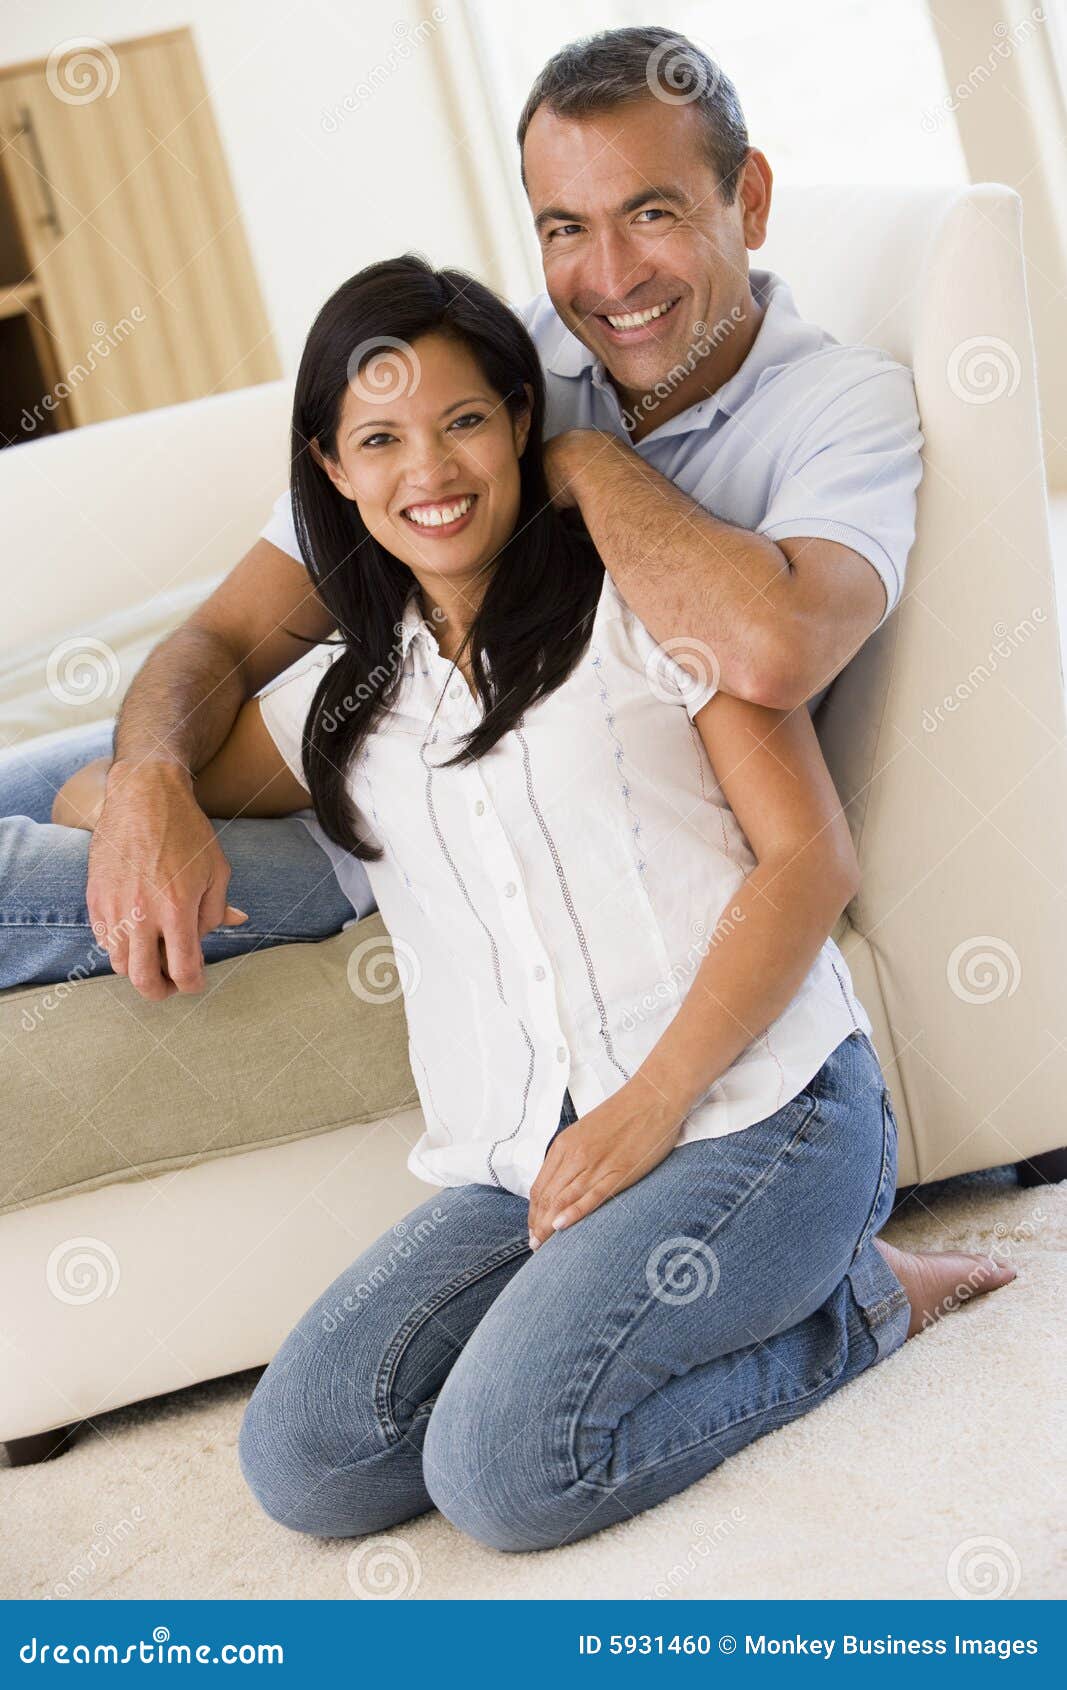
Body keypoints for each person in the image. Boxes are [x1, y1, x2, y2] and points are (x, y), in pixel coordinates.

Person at [53, 256, 1016, 1551]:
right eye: (379, 439)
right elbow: (94, 789)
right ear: (331, 473)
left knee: (509, 1470)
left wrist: (649, 1104)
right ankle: (608, 1303)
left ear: (520, 421)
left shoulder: (646, 601)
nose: (429, 471)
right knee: (308, 1462)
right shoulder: (344, 703)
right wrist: (145, 799)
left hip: (757, 1112)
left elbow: (808, 862)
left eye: (461, 422)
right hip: (523, 1154)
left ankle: (862, 1300)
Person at [0, 26, 924, 1001]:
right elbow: (227, 630)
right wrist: (150, 782)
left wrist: (583, 459)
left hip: (434, 828)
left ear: (749, 199)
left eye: (650, 213)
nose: (609, 278)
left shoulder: (842, 405)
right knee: (58, 778)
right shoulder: (493, 355)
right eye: (564, 227)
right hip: (331, 738)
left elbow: (776, 650)